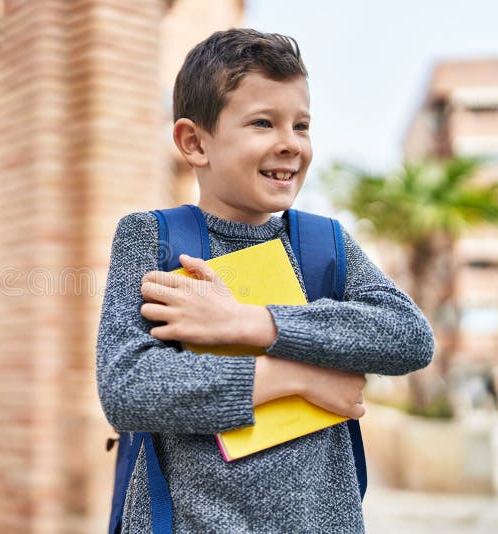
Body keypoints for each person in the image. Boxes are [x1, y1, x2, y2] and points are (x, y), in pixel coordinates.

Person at [95, 28, 434, 532]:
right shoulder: (152, 239)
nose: (290, 145)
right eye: (262, 123)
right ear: (195, 142)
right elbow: (126, 388)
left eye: (301, 126)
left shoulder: (325, 245)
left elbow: (410, 337)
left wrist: (253, 323)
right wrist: (297, 378)